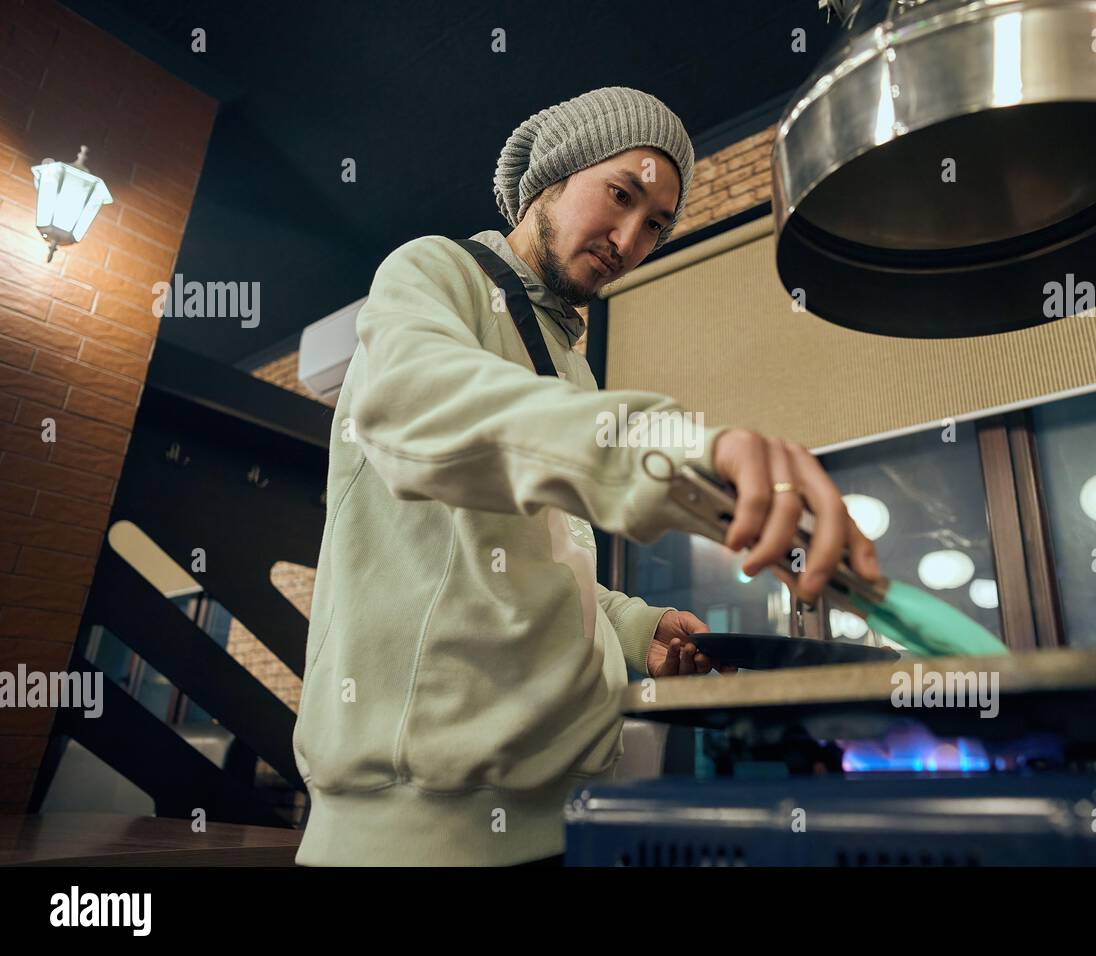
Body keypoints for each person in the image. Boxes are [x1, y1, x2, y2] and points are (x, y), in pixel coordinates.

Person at [291, 87, 879, 866]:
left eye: (656, 226)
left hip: (565, 810)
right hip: (418, 831)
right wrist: (676, 444)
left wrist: (635, 629)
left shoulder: (570, 360)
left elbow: (529, 562)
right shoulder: (434, 272)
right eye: (622, 195)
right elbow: (413, 404)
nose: (630, 240)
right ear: (552, 179)